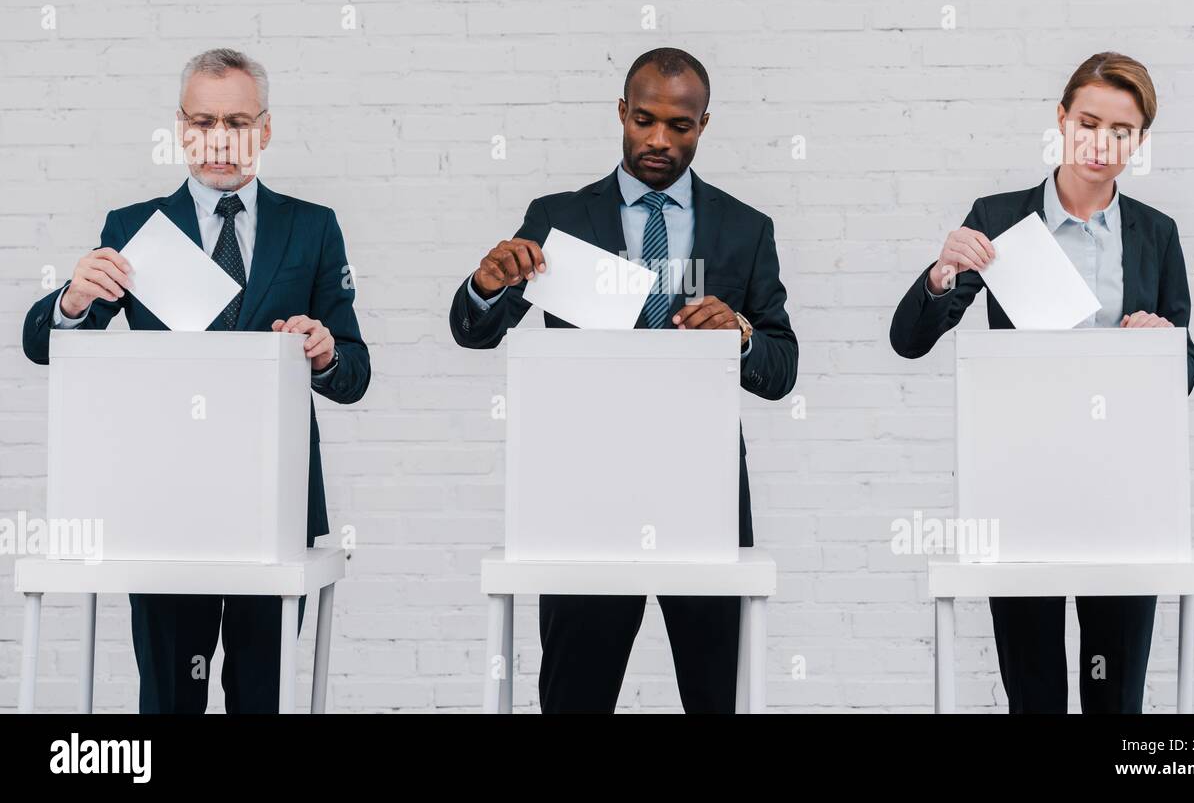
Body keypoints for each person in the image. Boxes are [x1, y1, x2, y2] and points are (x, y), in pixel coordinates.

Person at [22, 48, 371, 713]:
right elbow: (44, 346)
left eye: (237, 121)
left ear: (264, 130)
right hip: (163, 502)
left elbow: (354, 372)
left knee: (260, 695)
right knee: (170, 698)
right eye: (203, 120)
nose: (220, 138)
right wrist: (70, 303)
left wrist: (324, 352)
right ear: (181, 127)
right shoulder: (132, 228)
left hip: (277, 501)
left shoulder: (314, 227)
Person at [449, 47, 798, 712]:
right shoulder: (560, 219)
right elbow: (475, 331)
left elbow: (781, 370)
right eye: (643, 120)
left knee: (717, 693)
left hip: (706, 498)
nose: (659, 140)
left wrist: (743, 335)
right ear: (621, 112)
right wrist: (488, 286)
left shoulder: (746, 229)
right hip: (586, 496)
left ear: (704, 124)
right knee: (575, 695)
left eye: (680, 125)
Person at [890, 51, 1194, 713]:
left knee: (1115, 697)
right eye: (1088, 121)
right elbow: (909, 339)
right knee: (1033, 694)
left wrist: (1162, 346)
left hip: (1122, 490)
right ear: (1061, 119)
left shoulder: (1157, 235)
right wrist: (942, 274)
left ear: (1139, 142)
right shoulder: (1000, 217)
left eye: (1122, 130)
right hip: (1022, 485)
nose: (1102, 143)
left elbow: (1186, 371)